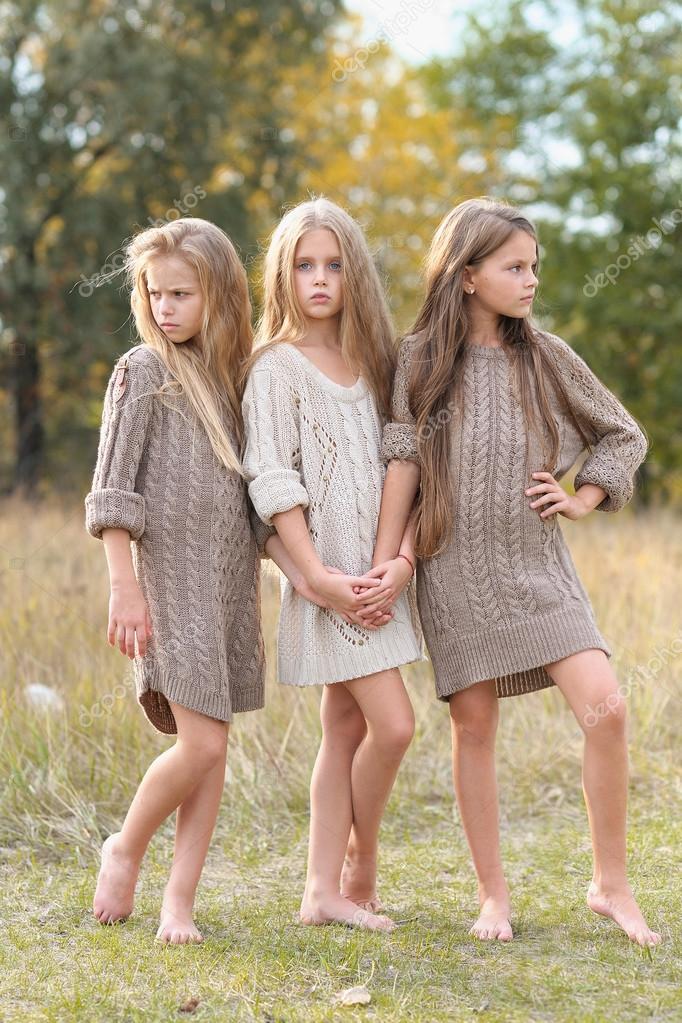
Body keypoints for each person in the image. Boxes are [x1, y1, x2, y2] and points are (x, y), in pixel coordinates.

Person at [367, 197, 660, 946]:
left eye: (535, 267)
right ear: (467, 275)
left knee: (607, 708)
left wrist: (582, 495)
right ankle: (492, 895)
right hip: (452, 572)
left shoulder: (548, 355)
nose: (531, 281)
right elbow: (402, 460)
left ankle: (610, 883)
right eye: (515, 267)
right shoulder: (419, 362)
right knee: (474, 727)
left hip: (539, 567)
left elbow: (622, 433)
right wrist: (389, 560)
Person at [242, 198, 423, 931]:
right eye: (304, 265)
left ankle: (320, 890)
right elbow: (271, 477)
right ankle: (361, 862)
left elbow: (408, 469)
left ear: (356, 273)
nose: (319, 279)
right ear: (282, 274)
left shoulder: (376, 365)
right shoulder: (274, 368)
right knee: (397, 726)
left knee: (344, 730)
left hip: (379, 579)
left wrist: (403, 560)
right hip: (329, 585)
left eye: (334, 264)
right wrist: (314, 577)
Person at [85, 217, 265, 943]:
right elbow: (112, 491)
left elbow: (253, 502)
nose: (165, 307)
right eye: (155, 293)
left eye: (181, 293)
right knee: (202, 746)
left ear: (219, 294)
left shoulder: (232, 383)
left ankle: (179, 903)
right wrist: (123, 587)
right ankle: (124, 846)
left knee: (214, 748)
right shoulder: (143, 371)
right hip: (168, 586)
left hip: (226, 589)